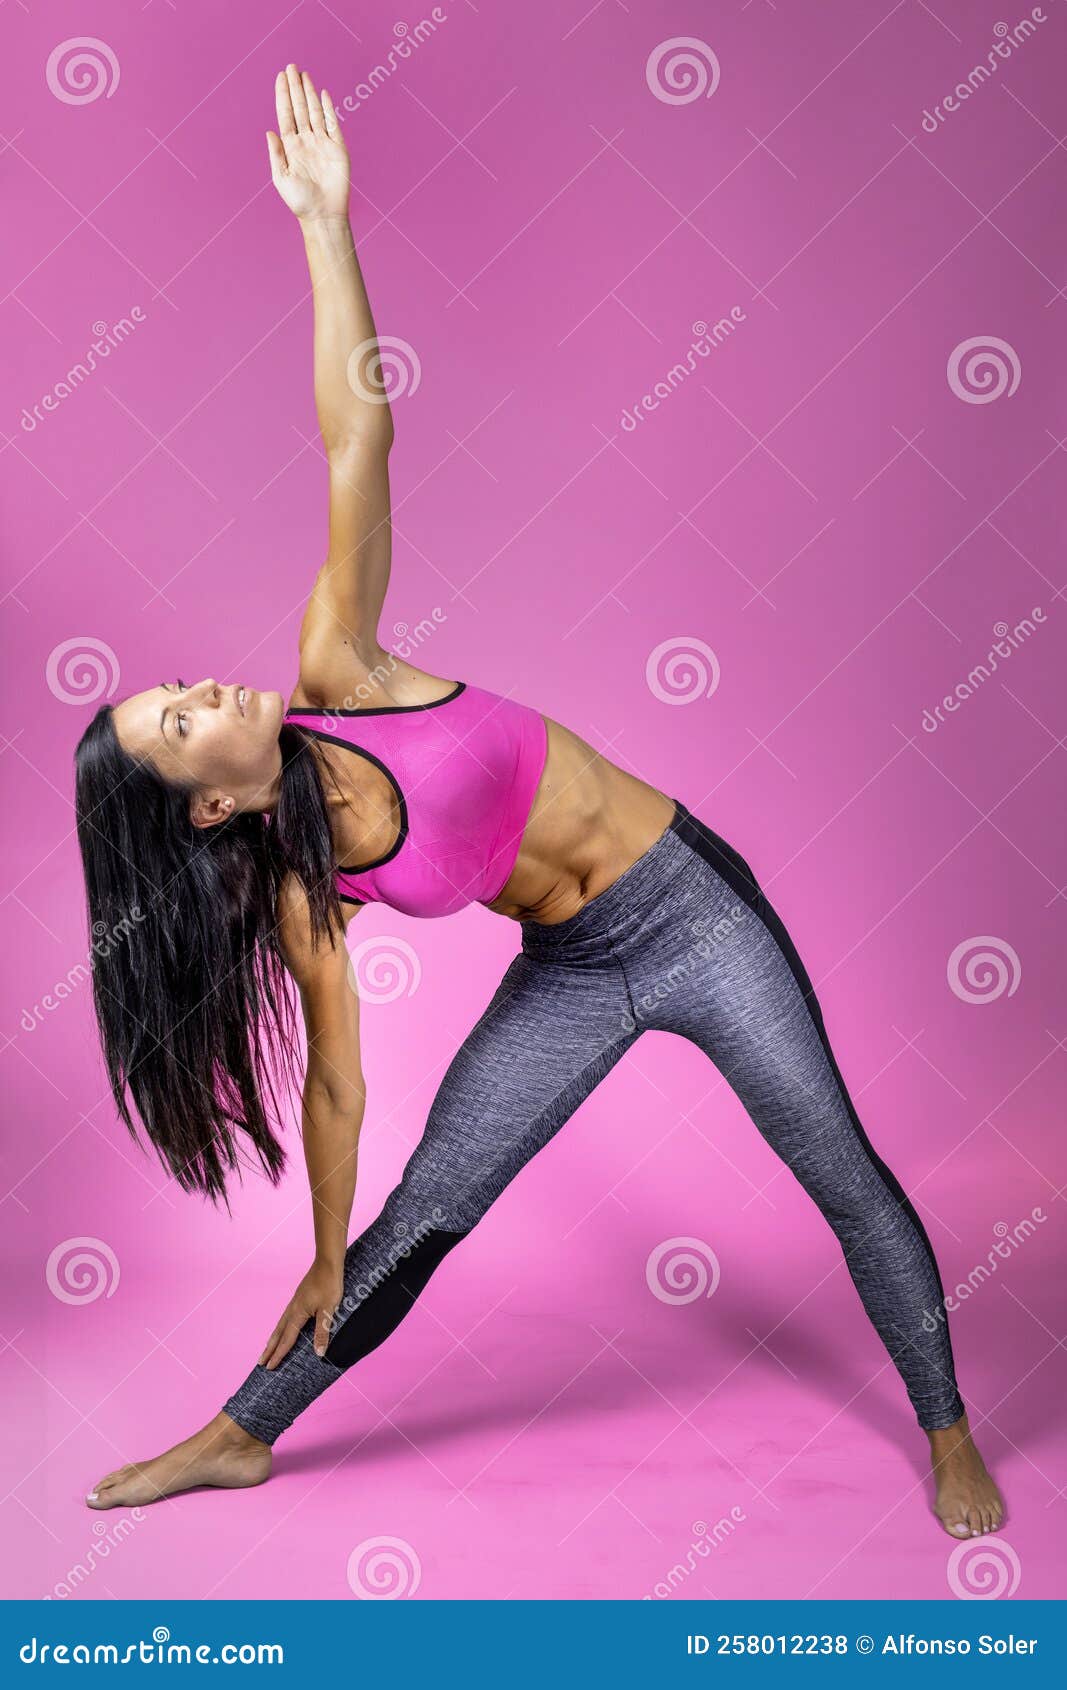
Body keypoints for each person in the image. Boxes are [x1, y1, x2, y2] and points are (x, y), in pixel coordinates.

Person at [74, 67, 1003, 1539]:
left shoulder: (341, 669)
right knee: (417, 1220)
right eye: (180, 721)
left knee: (836, 1164)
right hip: (570, 971)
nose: (207, 691)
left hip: (691, 911)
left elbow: (356, 442)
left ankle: (946, 1426)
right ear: (198, 809)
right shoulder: (298, 882)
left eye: (181, 687)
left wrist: (326, 229)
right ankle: (241, 1435)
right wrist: (323, 1245)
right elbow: (335, 1081)